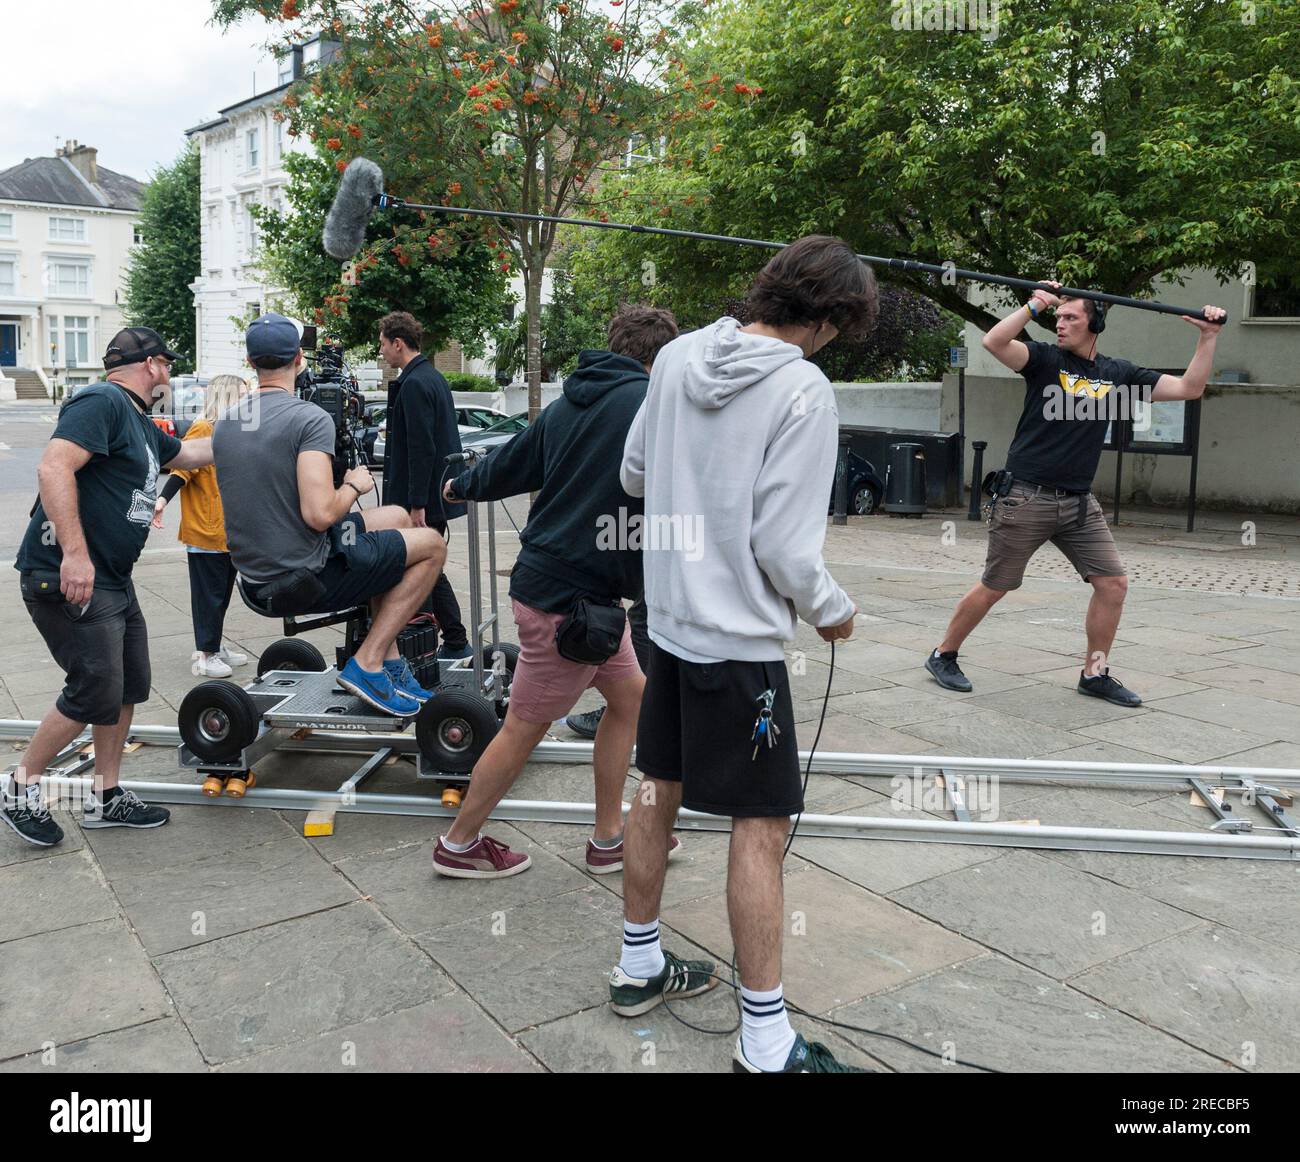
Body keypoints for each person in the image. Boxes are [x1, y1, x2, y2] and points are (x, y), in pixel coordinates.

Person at [609, 236, 872, 1073]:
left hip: (669, 625)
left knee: (658, 787)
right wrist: (833, 612)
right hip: (741, 645)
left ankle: (638, 962)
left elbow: (636, 474)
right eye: (839, 328)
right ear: (825, 319)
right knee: (760, 825)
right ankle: (765, 1041)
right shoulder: (805, 389)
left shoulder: (679, 355)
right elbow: (787, 550)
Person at [433, 305, 680, 879]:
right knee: (523, 725)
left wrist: (459, 485)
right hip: (567, 607)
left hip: (581, 603)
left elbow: (510, 464)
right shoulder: (650, 406)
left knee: (631, 702)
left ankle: (608, 837)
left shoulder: (569, 403)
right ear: (658, 357)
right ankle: (459, 843)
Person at [924, 284, 1226, 705]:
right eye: (1058, 318)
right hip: (1026, 497)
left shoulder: (1119, 374)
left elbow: (1189, 388)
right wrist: (1036, 303)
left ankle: (1094, 673)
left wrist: (1207, 336)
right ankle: (943, 654)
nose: (1060, 324)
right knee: (997, 585)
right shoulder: (1045, 359)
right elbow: (994, 341)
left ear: (1095, 323)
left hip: (1079, 503)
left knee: (1113, 584)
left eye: (1071, 318)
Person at [4, 328, 214, 846]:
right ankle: (18, 788)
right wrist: (74, 554)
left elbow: (187, 456)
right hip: (69, 574)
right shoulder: (102, 400)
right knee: (94, 687)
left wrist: (262, 429)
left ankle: (106, 794)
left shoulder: (138, 422)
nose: (169, 372)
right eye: (167, 363)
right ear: (152, 365)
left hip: (112, 578)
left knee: (125, 687)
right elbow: (53, 467)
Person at [212, 314, 447, 716]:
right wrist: (354, 485)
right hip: (306, 574)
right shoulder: (309, 418)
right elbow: (320, 514)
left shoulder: (227, 423)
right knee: (431, 545)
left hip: (256, 578)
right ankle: (368, 662)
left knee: (395, 518)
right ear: (300, 358)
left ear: (251, 362)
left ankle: (389, 661)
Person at [377, 310, 471, 661]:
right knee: (427, 568)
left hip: (421, 501)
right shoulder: (431, 377)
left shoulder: (416, 383)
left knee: (422, 569)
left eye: (383, 345)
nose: (382, 352)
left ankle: (449, 640)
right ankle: (455, 639)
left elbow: (422, 449)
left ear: (398, 343)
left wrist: (417, 505)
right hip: (432, 497)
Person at [152, 374, 252, 678]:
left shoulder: (231, 432)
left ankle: (215, 647)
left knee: (220, 596)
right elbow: (182, 472)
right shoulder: (203, 428)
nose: (248, 402)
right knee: (208, 597)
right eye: (243, 396)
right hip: (205, 533)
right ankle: (205, 656)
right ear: (227, 398)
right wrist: (162, 501)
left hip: (227, 533)